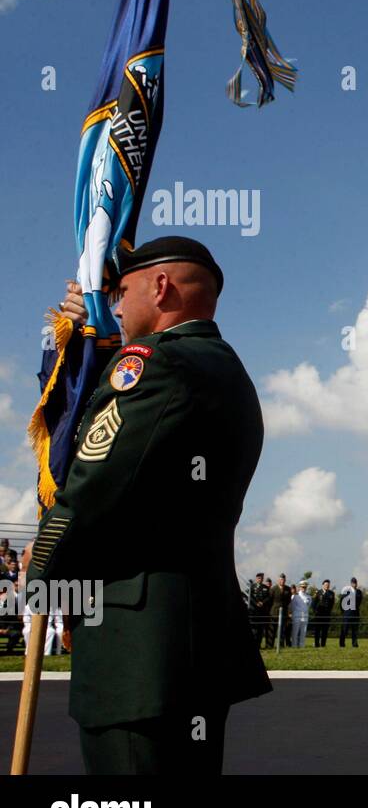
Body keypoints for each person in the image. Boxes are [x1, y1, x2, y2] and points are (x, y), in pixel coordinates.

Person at [24, 237, 271, 773]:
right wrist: (93, 345)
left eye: (122, 292)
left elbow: (94, 484)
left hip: (138, 652)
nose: (113, 307)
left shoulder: (154, 365)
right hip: (190, 643)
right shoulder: (220, 367)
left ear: (161, 287)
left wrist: (41, 569)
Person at [339, 577, 362, 647]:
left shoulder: (359, 592)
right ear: (351, 583)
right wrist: (344, 611)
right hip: (347, 613)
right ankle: (342, 644)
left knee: (355, 630)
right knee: (344, 629)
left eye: (355, 583)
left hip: (355, 613)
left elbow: (359, 602)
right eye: (353, 583)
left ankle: (354, 644)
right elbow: (341, 602)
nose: (354, 584)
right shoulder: (347, 591)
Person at [269, 573, 290, 648]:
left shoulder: (288, 589)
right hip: (274, 611)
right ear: (278, 580)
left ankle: (281, 645)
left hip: (283, 611)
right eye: (281, 579)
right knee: (272, 629)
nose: (282, 581)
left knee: (282, 629)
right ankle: (270, 645)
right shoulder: (273, 589)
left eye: (284, 580)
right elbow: (270, 600)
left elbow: (288, 600)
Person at [312, 580, 335, 647]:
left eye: (328, 585)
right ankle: (316, 644)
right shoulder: (318, 593)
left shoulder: (331, 593)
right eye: (325, 585)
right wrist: (315, 611)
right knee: (317, 630)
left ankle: (323, 644)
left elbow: (332, 604)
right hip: (319, 615)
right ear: (323, 585)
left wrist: (329, 611)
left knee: (325, 631)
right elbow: (313, 604)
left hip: (327, 615)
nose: (327, 586)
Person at [290, 582, 310, 648]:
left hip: (305, 617)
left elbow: (308, 606)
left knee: (303, 633)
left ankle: (302, 645)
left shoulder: (309, 597)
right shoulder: (295, 596)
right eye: (302, 587)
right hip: (297, 616)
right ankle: (294, 645)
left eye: (305, 587)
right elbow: (292, 607)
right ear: (300, 587)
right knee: (295, 632)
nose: (303, 588)